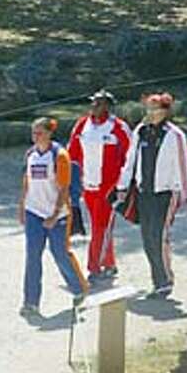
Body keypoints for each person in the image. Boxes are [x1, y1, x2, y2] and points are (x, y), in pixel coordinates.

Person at [117, 93, 187, 298]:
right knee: (147, 238)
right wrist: (122, 186)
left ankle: (165, 281)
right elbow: (130, 159)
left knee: (159, 237)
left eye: (155, 109)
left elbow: (184, 166)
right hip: (144, 193)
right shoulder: (141, 131)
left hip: (166, 193)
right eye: (148, 109)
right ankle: (158, 281)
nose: (150, 113)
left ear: (165, 111)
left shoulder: (174, 135)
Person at [19, 117, 87, 316]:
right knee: (33, 256)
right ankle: (31, 302)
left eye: (39, 132)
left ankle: (79, 289)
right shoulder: (30, 154)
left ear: (49, 133)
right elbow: (26, 181)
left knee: (60, 253)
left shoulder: (60, 155)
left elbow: (64, 188)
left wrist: (55, 214)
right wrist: (22, 207)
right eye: (33, 132)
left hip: (57, 215)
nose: (35, 136)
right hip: (34, 212)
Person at [67, 88, 131, 283]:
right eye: (92, 102)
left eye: (98, 103)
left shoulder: (118, 128)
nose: (93, 106)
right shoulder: (82, 125)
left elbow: (130, 157)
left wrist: (125, 185)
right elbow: (72, 154)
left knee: (101, 227)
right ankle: (109, 263)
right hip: (89, 185)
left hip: (109, 188)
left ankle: (94, 267)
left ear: (107, 107)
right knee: (98, 226)